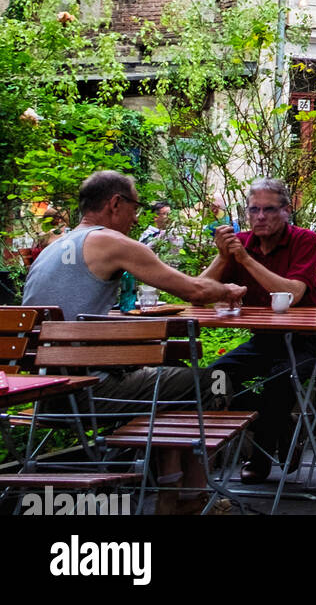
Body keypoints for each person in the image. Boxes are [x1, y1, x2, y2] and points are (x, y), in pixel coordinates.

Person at [22, 170, 246, 511]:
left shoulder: (56, 247)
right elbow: (195, 290)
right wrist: (229, 289)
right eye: (135, 207)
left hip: (43, 395)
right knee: (214, 381)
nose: (136, 217)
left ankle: (171, 492)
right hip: (86, 395)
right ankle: (195, 498)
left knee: (171, 377)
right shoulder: (109, 242)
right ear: (115, 203)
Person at [205, 178, 316, 484]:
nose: (260, 217)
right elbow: (197, 294)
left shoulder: (304, 239)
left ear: (286, 211)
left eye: (269, 210)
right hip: (264, 341)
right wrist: (222, 256)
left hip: (307, 343)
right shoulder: (241, 242)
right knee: (215, 377)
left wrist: (243, 258)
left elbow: (292, 294)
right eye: (253, 209)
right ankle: (283, 428)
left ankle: (259, 457)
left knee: (279, 380)